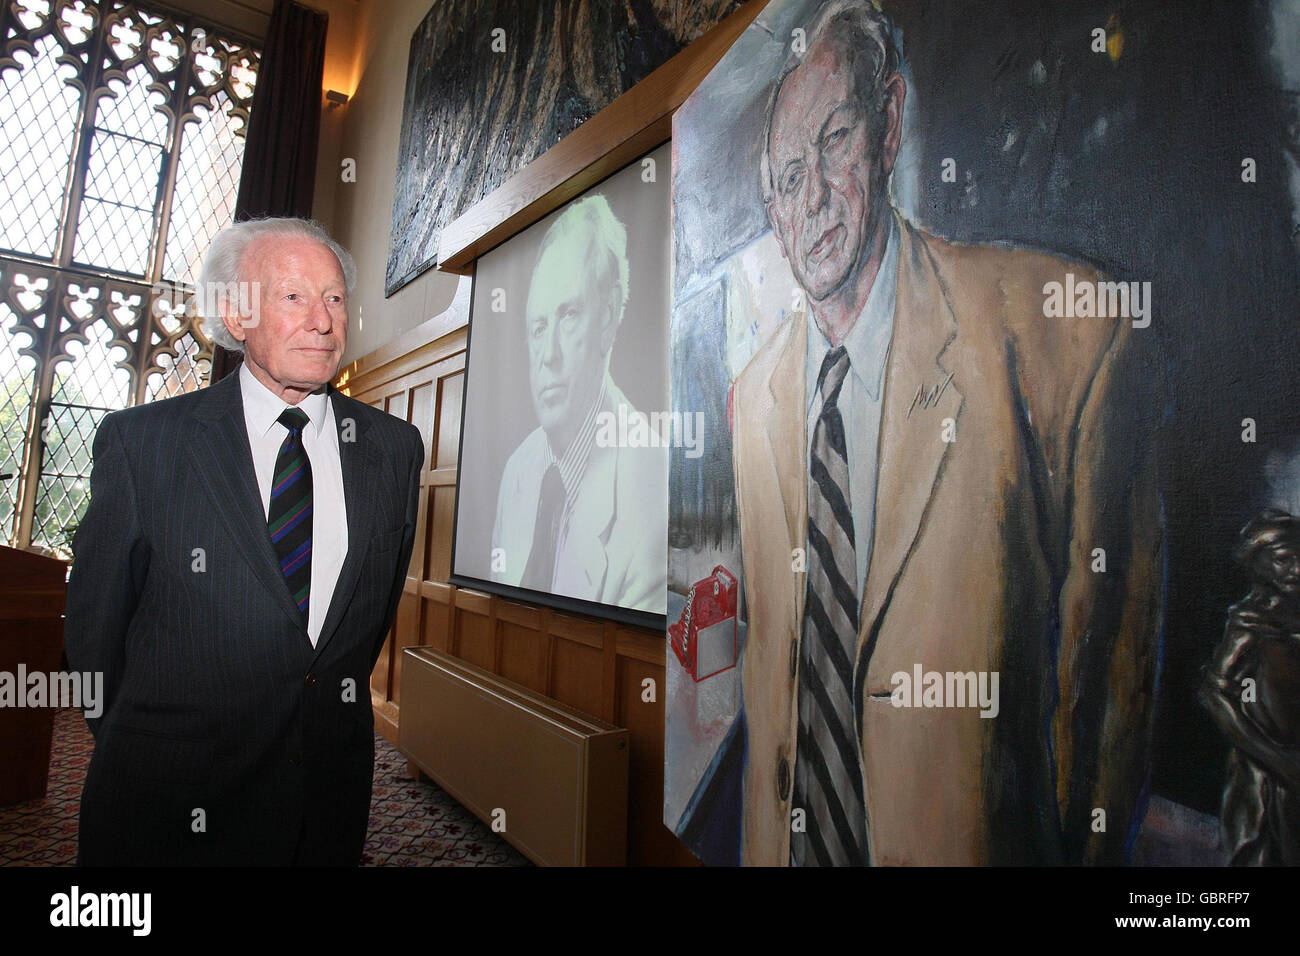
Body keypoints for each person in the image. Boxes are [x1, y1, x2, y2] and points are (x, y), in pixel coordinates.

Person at [728, 0, 1162, 865]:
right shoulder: (753, 398)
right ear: (771, 213)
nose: (811, 197)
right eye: (785, 178)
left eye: (836, 140)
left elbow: (1103, 704)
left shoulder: (1067, 340)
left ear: (889, 128)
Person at [64, 217, 423, 866]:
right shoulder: (145, 445)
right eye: (293, 296)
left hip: (324, 807)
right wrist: (142, 745)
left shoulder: (393, 450)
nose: (322, 321)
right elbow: (96, 635)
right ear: (235, 315)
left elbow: (358, 631)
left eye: (335, 298)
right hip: (168, 806)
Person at [490, 195, 667, 614]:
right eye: (538, 326)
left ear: (608, 319)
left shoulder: (655, 489)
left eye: (568, 315)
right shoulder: (517, 471)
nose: (548, 354)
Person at [1200, 509, 1300, 866]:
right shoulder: (1250, 623)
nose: (1297, 570)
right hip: (1265, 776)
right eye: (1284, 560)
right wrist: (1274, 758)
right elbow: (1214, 693)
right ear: (1259, 564)